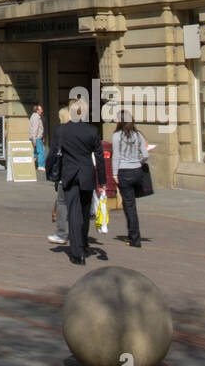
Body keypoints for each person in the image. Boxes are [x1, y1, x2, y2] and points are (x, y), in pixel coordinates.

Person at [59, 98, 106, 265]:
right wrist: (103, 180)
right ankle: (84, 244)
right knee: (85, 214)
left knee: (74, 213)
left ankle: (77, 253)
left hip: (70, 175)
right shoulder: (92, 131)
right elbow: (99, 158)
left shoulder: (62, 130)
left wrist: (54, 175)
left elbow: (55, 155)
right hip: (87, 175)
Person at [111, 111, 150, 249]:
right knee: (131, 204)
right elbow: (145, 154)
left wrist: (114, 174)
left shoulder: (117, 136)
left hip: (124, 172)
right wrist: (137, 161)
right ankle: (133, 235)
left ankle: (134, 238)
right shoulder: (138, 135)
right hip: (137, 171)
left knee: (129, 207)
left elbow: (115, 156)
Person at [45, 106, 71, 246]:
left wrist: (49, 171)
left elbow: (54, 152)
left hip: (64, 172)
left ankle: (61, 234)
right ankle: (78, 234)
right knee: (75, 203)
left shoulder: (59, 130)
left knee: (62, 202)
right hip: (80, 172)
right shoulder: (80, 129)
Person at [29, 104, 45, 171]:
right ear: (37, 110)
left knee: (35, 153)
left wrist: (42, 137)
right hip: (36, 138)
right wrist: (34, 139)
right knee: (41, 152)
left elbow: (39, 129)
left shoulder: (34, 116)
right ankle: (40, 166)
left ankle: (29, 164)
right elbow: (35, 129)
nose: (42, 110)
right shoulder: (36, 117)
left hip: (36, 137)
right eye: (41, 109)